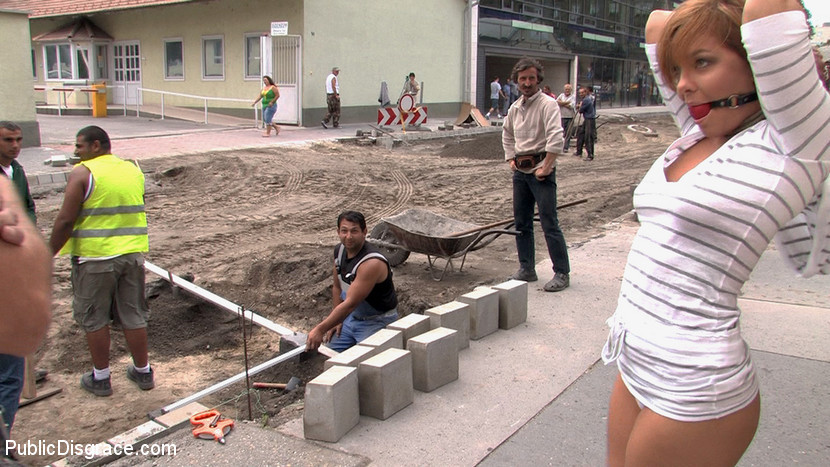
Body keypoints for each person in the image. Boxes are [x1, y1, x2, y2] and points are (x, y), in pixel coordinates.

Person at [602, 1, 830, 466]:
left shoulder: (798, 139)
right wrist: (702, 30)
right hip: (634, 357)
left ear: (759, 64)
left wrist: (728, 13)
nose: (682, 84)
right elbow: (657, 23)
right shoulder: (700, 128)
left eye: (702, 63)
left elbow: (769, 9)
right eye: (677, 68)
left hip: (695, 382)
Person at [49, 126, 154, 397]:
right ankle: (143, 372)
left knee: (94, 318)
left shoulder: (83, 173)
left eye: (79, 145)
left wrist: (47, 252)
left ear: (96, 145)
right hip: (131, 255)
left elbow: (65, 220)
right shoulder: (132, 170)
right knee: (134, 314)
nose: (75, 151)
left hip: (96, 258)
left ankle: (101, 378)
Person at [502, 57, 571, 293]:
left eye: (531, 78)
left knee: (549, 222)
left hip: (541, 172)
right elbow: (507, 134)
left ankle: (562, 272)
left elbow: (556, 138)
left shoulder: (548, 105)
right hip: (520, 173)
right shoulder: (514, 108)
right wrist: (511, 158)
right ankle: (527, 269)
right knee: (522, 223)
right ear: (517, 81)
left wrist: (547, 166)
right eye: (523, 79)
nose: (527, 82)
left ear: (538, 79)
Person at [306, 211, 399, 352]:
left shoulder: (372, 262)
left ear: (364, 232)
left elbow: (350, 304)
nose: (348, 236)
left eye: (354, 231)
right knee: (329, 355)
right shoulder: (340, 251)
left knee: (369, 366)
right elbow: (337, 287)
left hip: (376, 322)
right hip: (351, 318)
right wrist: (336, 321)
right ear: (338, 232)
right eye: (344, 231)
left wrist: (320, 329)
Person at [0, 121, 40, 435]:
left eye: (18, 139)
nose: (15, 145)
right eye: (8, 140)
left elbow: (28, 210)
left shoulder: (17, 172)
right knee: (8, 373)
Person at [574, 86, 596, 161]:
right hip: (586, 119)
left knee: (588, 137)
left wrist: (579, 106)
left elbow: (580, 110)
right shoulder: (584, 100)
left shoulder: (586, 100)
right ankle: (579, 151)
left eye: (582, 92)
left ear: (585, 92)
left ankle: (590, 155)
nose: (581, 94)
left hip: (589, 119)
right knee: (581, 134)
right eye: (580, 93)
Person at [556, 84, 577, 152]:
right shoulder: (561, 95)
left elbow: (571, 106)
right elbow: (556, 102)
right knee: (561, 132)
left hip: (570, 117)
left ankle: (565, 147)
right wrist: (566, 103)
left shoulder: (573, 97)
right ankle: (560, 146)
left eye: (568, 89)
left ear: (571, 90)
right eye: (566, 89)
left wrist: (562, 103)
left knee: (568, 133)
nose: (567, 90)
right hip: (561, 116)